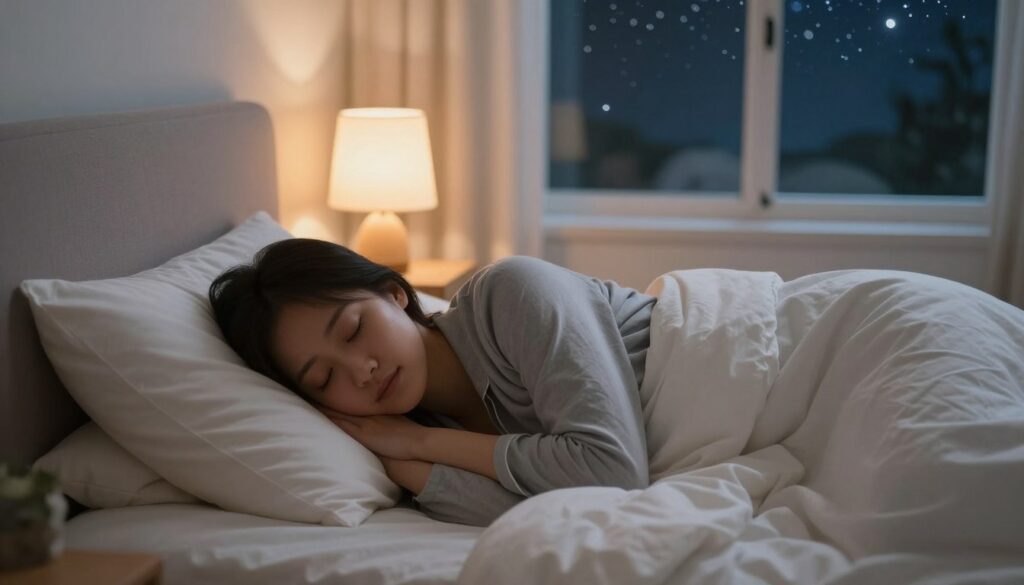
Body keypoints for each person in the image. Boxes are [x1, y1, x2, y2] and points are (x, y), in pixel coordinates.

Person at [208, 238, 656, 526]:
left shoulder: (512, 293)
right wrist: (405, 467)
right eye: (325, 379)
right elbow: (538, 515)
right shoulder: (396, 440)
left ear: (394, 293)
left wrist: (423, 444)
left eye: (353, 330)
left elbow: (613, 472)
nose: (360, 370)